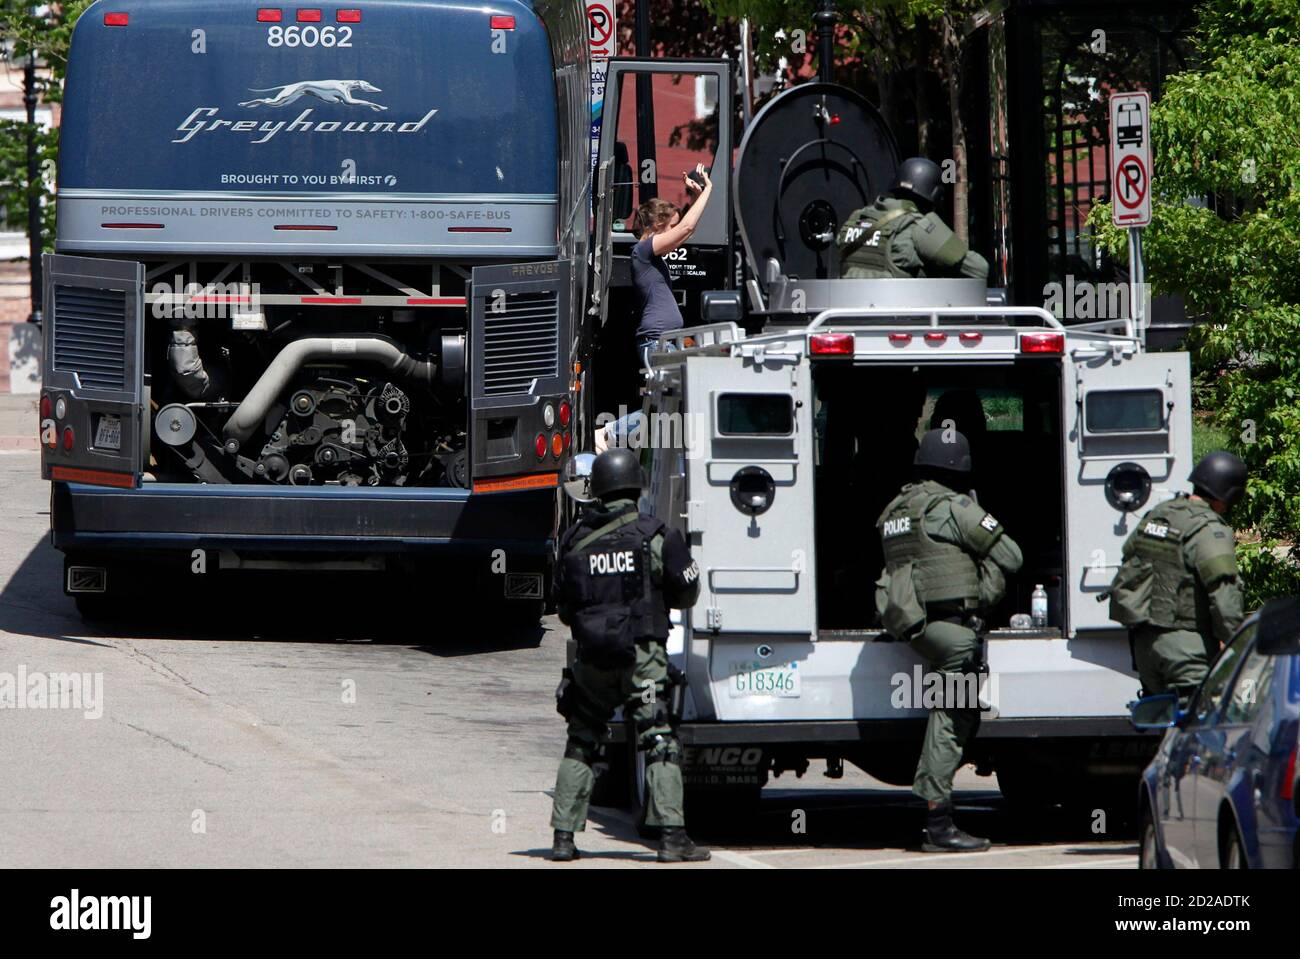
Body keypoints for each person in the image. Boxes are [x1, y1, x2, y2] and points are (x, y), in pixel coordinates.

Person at [549, 448, 709, 863]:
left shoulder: (575, 541)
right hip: (644, 661)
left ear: (597, 489)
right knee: (658, 739)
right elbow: (687, 591)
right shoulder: (656, 535)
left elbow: (564, 608)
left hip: (594, 662)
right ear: (636, 487)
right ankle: (672, 839)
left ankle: (563, 839)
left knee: (581, 741)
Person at [875, 428, 1022, 852]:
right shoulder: (953, 507)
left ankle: (936, 812)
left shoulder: (896, 509)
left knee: (953, 712)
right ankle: (938, 822)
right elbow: (1012, 556)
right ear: (959, 468)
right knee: (951, 716)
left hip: (916, 625)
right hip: (954, 633)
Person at [1110, 451, 1246, 701]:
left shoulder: (1160, 514)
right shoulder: (1208, 529)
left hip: (1144, 649)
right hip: (1186, 653)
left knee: (1166, 730)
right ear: (1226, 496)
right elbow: (1223, 592)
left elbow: (1128, 554)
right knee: (1195, 731)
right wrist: (1238, 643)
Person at [836, 157, 989, 280]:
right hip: (900, 314)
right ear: (934, 195)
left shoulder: (856, 219)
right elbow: (979, 269)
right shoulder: (917, 226)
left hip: (846, 314)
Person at [631, 163, 713, 372]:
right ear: (657, 225)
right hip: (657, 343)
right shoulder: (642, 251)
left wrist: (696, 196)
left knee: (672, 404)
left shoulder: (651, 254)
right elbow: (687, 227)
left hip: (664, 342)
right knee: (670, 403)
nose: (675, 231)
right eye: (671, 226)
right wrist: (708, 190)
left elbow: (686, 231)